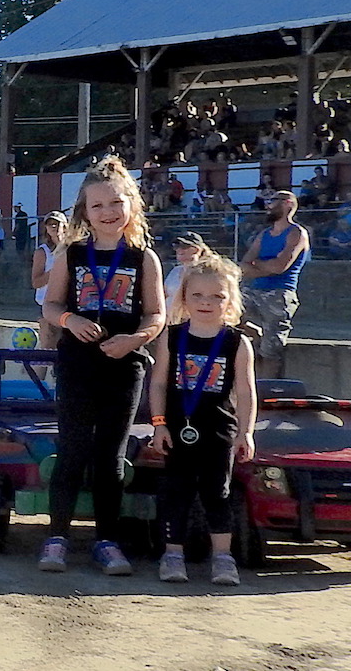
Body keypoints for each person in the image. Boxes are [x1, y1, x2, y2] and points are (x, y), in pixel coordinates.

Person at [38, 157, 166, 575]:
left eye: (116, 202)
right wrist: (69, 320)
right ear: (85, 213)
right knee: (72, 449)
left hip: (125, 366)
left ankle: (107, 541)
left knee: (111, 456)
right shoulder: (70, 255)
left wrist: (135, 339)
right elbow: (52, 304)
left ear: (132, 204)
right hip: (77, 362)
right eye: (97, 206)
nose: (108, 212)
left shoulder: (144, 258)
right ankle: (56, 537)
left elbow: (156, 315)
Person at [147, 251, 257, 585]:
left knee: (217, 492)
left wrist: (245, 432)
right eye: (197, 295)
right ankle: (172, 555)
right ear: (184, 298)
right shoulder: (173, 336)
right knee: (176, 492)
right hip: (178, 428)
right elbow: (159, 382)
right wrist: (159, 423)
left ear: (230, 301)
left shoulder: (237, 343)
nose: (206, 302)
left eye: (216, 296)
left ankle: (223, 558)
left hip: (219, 430)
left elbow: (247, 391)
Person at [239, 189, 311, 378]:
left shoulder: (296, 233)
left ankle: (268, 390)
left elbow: (280, 267)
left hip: (279, 293)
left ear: (287, 203)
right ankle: (257, 335)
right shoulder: (264, 234)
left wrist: (258, 265)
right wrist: (265, 267)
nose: (268, 205)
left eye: (273, 201)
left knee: (271, 351)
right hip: (254, 290)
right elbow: (244, 264)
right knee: (230, 318)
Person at [30, 211, 70, 343]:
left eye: (56, 224)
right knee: (48, 344)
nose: (53, 227)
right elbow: (36, 282)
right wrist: (57, 271)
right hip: (46, 304)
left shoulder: (72, 249)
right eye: (50, 224)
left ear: (65, 226)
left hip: (68, 304)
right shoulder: (42, 252)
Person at [163, 232, 212, 326]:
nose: (179, 250)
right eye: (177, 246)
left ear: (197, 249)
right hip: (169, 322)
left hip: (192, 324)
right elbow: (164, 294)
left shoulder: (206, 273)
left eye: (184, 246)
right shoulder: (175, 271)